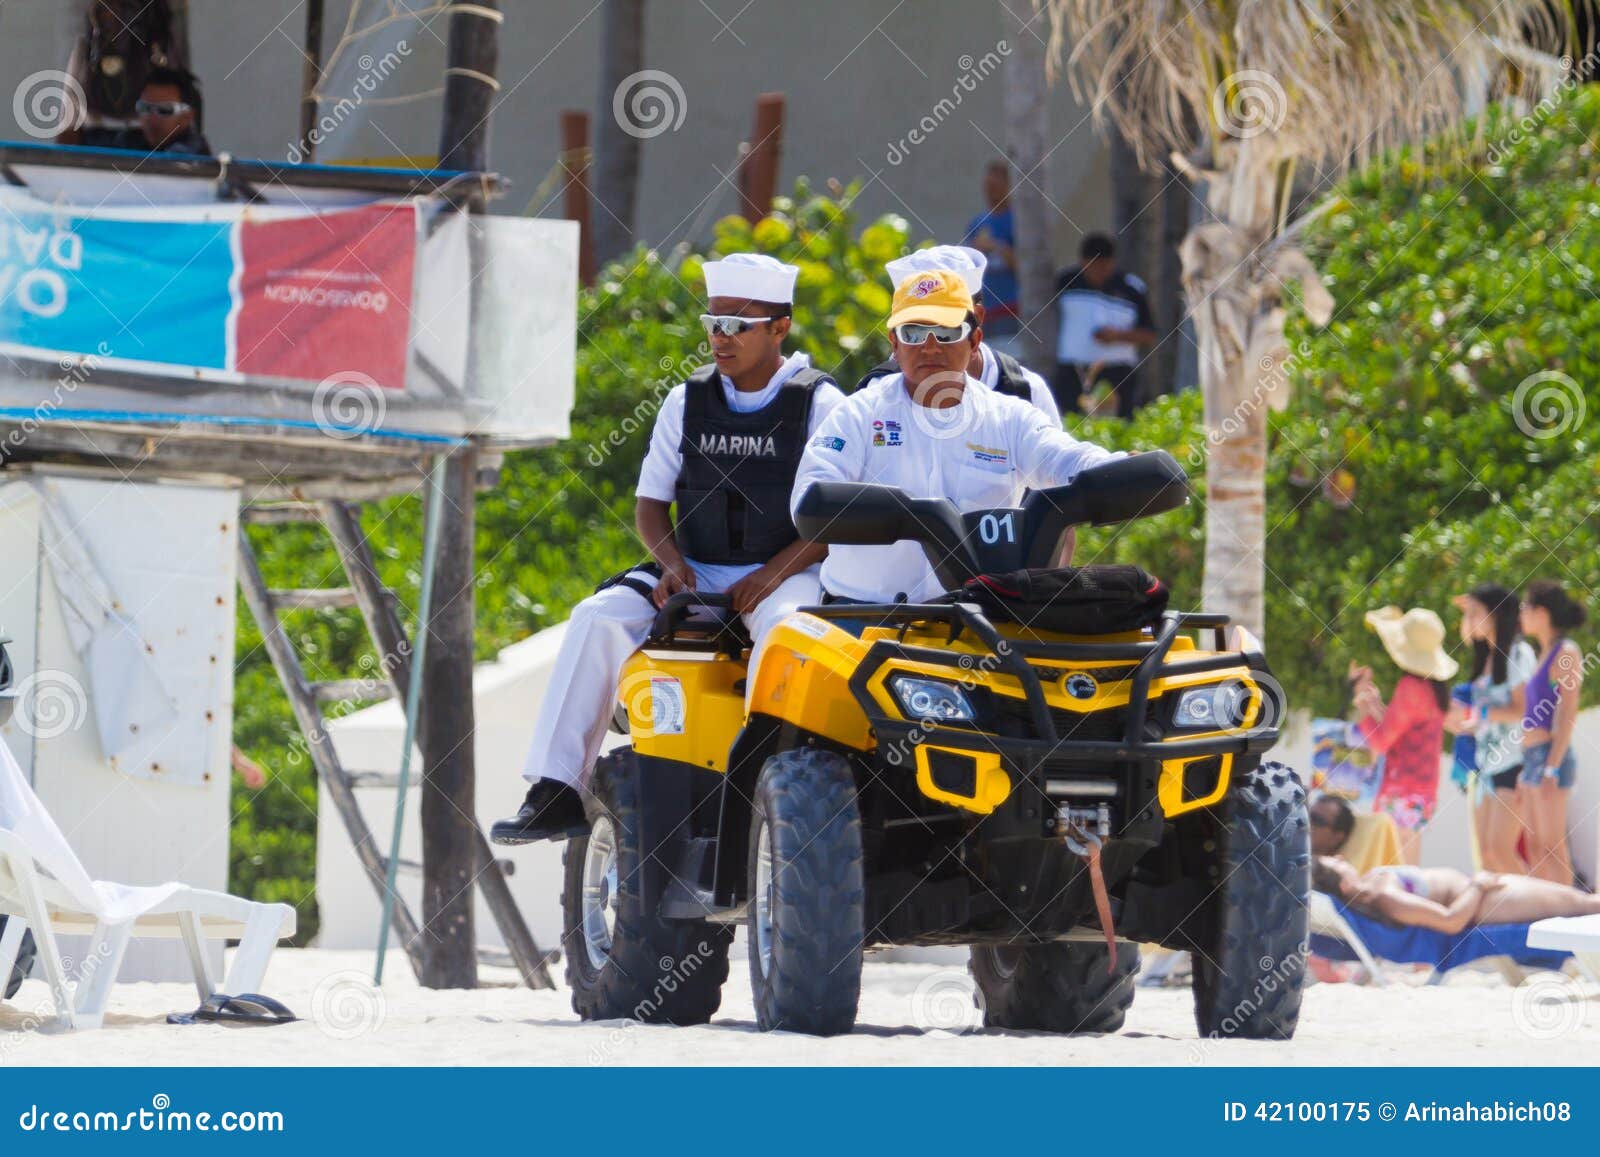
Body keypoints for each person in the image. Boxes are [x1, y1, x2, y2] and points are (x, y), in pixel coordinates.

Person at [491, 254, 846, 843]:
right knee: (597, 617)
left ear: (779, 328)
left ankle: (765, 783)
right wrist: (672, 564)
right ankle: (556, 789)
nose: (720, 338)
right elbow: (650, 506)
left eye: (738, 325)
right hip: (698, 568)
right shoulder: (686, 400)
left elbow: (831, 521)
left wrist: (769, 576)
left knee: (788, 632)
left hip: (786, 573)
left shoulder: (822, 405)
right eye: (713, 324)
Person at [791, 269, 1120, 606]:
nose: (930, 347)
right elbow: (810, 492)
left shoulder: (1009, 417)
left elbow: (1065, 458)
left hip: (979, 621)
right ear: (894, 343)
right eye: (914, 332)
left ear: (974, 340)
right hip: (861, 619)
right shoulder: (856, 414)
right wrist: (887, 512)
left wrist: (1118, 469)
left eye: (946, 332)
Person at [855, 246, 1060, 425]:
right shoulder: (875, 395)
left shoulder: (1026, 391)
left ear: (977, 317)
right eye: (915, 330)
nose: (930, 345)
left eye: (947, 328)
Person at [1348, 606, 1456, 865]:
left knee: (1395, 870)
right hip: (1421, 791)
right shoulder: (1431, 687)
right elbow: (1404, 730)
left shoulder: (1411, 686)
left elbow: (1383, 740)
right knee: (1407, 869)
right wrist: (1375, 707)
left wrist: (1363, 710)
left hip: (1401, 789)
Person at [1445, 584, 1537, 874]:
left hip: (1515, 763)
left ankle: (1538, 909)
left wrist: (1479, 714)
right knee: (1486, 856)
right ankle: (1508, 918)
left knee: (1499, 851)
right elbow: (1481, 720)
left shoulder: (1519, 653)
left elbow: (1524, 709)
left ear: (1496, 615)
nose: (1469, 619)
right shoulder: (1486, 658)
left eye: (1475, 612)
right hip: (1486, 767)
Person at [1312, 855, 1600, 934]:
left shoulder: (1375, 880)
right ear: (1344, 886)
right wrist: (1478, 885)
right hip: (1489, 902)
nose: (1340, 856)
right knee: (1588, 905)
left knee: (1587, 903)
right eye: (1335, 863)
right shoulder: (1388, 898)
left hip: (1487, 892)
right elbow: (1450, 921)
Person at [1517, 580, 1587, 884]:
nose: (1521, 614)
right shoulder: (1542, 652)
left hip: (1549, 759)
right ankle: (1549, 914)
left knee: (1552, 846)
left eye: (1524, 607)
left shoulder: (1565, 651)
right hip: (1533, 758)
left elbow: (1567, 712)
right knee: (1534, 848)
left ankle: (1570, 916)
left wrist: (1551, 767)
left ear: (1541, 612)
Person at [1052, 234, 1158, 420]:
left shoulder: (1131, 288)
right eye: (1094, 267)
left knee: (1120, 425)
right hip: (1073, 372)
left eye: (1105, 266)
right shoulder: (1065, 282)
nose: (1100, 273)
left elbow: (1150, 334)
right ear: (1083, 262)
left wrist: (1117, 336)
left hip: (1118, 373)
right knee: (1071, 424)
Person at [962, 160, 1022, 358]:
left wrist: (998, 247)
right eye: (988, 186)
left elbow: (1025, 268)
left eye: (996, 186)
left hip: (1010, 308)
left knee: (1009, 360)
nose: (991, 191)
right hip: (983, 311)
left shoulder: (1018, 221)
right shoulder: (977, 223)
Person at [107, 66, 212, 156]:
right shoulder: (128, 141)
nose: (151, 118)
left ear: (187, 117)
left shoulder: (192, 153)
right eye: (145, 108)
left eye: (164, 110)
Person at [1309, 793, 1356, 857]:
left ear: (1337, 837)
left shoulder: (1334, 866)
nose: (1307, 823)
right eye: (1307, 816)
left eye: (1316, 819)